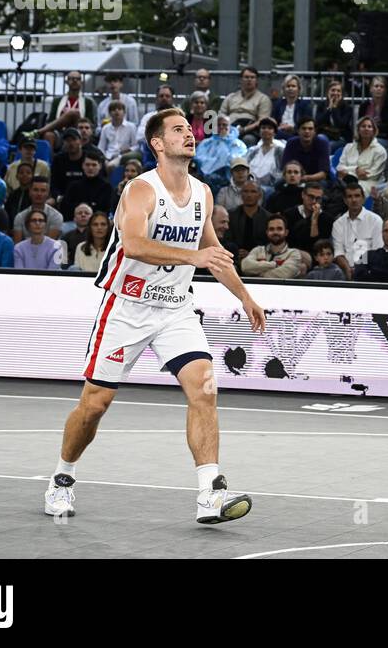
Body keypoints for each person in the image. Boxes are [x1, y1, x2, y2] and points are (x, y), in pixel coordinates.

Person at [43, 108, 264, 525]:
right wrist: (193, 256)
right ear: (158, 144)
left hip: (176, 309)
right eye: (178, 130)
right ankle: (62, 478)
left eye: (189, 129)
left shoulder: (202, 193)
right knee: (95, 405)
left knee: (204, 388)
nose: (189, 135)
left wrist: (245, 297)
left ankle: (210, 493)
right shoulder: (141, 190)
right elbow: (136, 246)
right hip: (127, 308)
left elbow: (213, 255)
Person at [331, 181, 383, 278]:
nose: (354, 200)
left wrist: (361, 270)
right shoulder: (338, 224)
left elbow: (378, 251)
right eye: (350, 196)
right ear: (345, 200)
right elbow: (338, 252)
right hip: (345, 269)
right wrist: (347, 269)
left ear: (363, 199)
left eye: (357, 196)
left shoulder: (376, 220)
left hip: (370, 270)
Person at [241, 215, 305, 280]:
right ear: (267, 232)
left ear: (286, 232)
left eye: (279, 229)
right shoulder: (258, 250)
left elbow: (286, 274)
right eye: (271, 229)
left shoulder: (294, 253)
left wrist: (258, 275)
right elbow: (245, 267)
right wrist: (274, 265)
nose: (275, 232)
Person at [220, 66, 272, 143]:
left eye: (252, 77)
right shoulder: (230, 97)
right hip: (228, 128)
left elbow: (262, 120)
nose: (249, 80)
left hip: (250, 130)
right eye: (246, 77)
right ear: (241, 80)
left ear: (257, 80)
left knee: (248, 139)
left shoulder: (263, 99)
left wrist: (244, 129)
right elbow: (221, 115)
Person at [58, 150, 115, 221]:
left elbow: (106, 210)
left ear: (100, 166)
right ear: (83, 166)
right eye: (87, 165)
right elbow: (65, 208)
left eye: (94, 165)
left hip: (97, 224)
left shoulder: (106, 187)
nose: (90, 168)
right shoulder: (73, 186)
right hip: (74, 223)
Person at [336, 117, 388, 192]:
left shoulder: (380, 151)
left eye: (369, 127)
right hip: (347, 181)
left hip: (369, 183)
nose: (366, 129)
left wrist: (348, 172)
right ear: (358, 130)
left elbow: (373, 174)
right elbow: (339, 168)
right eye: (363, 126)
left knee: (354, 189)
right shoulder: (349, 147)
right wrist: (356, 169)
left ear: (374, 131)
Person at [353, 216, 388, 283]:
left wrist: (372, 272)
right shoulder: (367, 255)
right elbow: (357, 277)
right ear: (382, 233)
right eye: (386, 231)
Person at [227, 181, 271, 258]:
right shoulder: (231, 215)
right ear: (241, 194)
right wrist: (236, 252)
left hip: (260, 258)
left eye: (253, 191)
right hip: (234, 257)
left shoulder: (268, 218)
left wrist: (252, 254)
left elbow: (269, 243)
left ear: (259, 195)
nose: (249, 195)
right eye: (245, 191)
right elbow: (227, 239)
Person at [280, 117, 331, 183]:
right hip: (294, 178)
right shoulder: (291, 143)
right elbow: (285, 168)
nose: (307, 131)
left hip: (315, 180)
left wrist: (306, 178)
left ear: (315, 131)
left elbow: (323, 174)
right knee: (278, 185)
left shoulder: (322, 143)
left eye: (310, 129)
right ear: (298, 131)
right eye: (303, 128)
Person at [12, 177, 63, 241]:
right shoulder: (20, 217)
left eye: (43, 190)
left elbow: (50, 245)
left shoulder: (56, 216)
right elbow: (17, 246)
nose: (39, 194)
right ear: (30, 191)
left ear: (48, 193)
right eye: (35, 190)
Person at [96, 101, 138, 171]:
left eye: (119, 109)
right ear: (109, 113)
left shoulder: (131, 127)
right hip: (108, 156)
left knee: (110, 166)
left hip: (123, 156)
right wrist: (105, 158)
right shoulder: (105, 128)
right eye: (113, 109)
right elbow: (101, 147)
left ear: (124, 112)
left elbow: (136, 146)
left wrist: (128, 150)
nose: (116, 111)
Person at [245, 118, 284, 188]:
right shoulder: (253, 150)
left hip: (271, 188)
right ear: (259, 131)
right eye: (263, 128)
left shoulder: (280, 150)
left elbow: (281, 173)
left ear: (274, 132)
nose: (266, 130)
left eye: (270, 128)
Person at [272, 74, 314, 141]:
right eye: (288, 86)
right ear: (284, 89)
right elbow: (274, 120)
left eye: (293, 86)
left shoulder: (305, 105)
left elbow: (308, 124)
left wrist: (292, 128)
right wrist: (278, 127)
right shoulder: (278, 104)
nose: (290, 88)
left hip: (297, 134)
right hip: (280, 132)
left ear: (299, 89)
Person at [359, 76, 388, 141]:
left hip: (385, 137)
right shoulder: (364, 106)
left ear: (385, 90)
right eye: (376, 86)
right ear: (371, 89)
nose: (379, 88)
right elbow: (359, 124)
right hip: (366, 138)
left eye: (382, 86)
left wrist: (370, 126)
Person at [313, 80, 355, 145]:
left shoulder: (348, 108)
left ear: (342, 94)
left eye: (338, 91)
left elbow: (340, 124)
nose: (335, 93)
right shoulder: (321, 105)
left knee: (330, 145)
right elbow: (318, 122)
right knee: (321, 140)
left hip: (341, 137)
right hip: (325, 134)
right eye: (333, 90)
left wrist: (335, 108)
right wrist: (329, 108)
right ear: (328, 92)